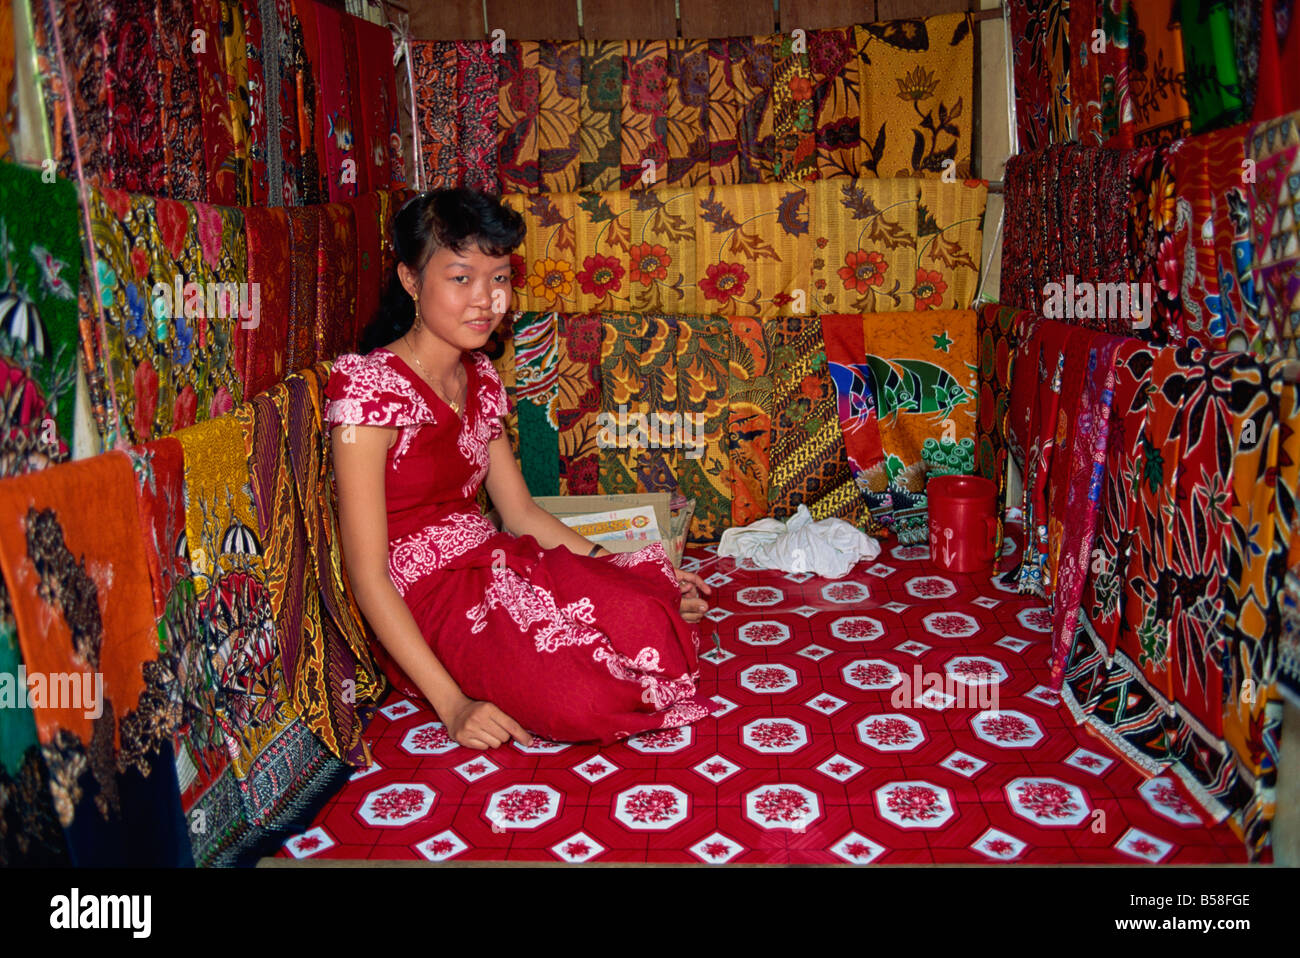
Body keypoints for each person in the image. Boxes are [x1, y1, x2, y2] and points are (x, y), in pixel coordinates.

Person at [325, 188, 716, 751]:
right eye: (462, 278)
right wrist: (453, 704)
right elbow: (367, 573)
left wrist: (628, 572)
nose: (486, 300)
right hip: (424, 598)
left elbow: (521, 512)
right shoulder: (368, 389)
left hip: (492, 561)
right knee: (589, 700)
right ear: (411, 281)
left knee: (650, 613)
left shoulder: (479, 377)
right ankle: (503, 670)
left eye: (500, 278)